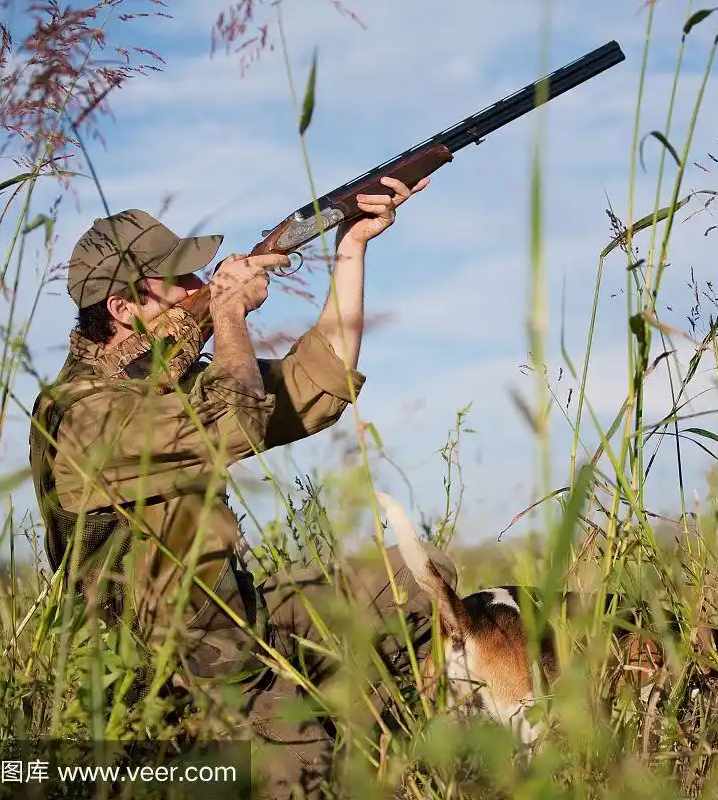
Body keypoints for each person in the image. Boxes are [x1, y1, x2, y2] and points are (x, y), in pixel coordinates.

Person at [27, 176, 458, 797]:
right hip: (169, 672)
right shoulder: (81, 413)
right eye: (179, 282)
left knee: (421, 580)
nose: (201, 287)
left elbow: (320, 385)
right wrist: (227, 315)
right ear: (123, 310)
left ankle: (380, 752)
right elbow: (238, 416)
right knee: (306, 767)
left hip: (236, 617)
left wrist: (350, 250)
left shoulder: (170, 386)